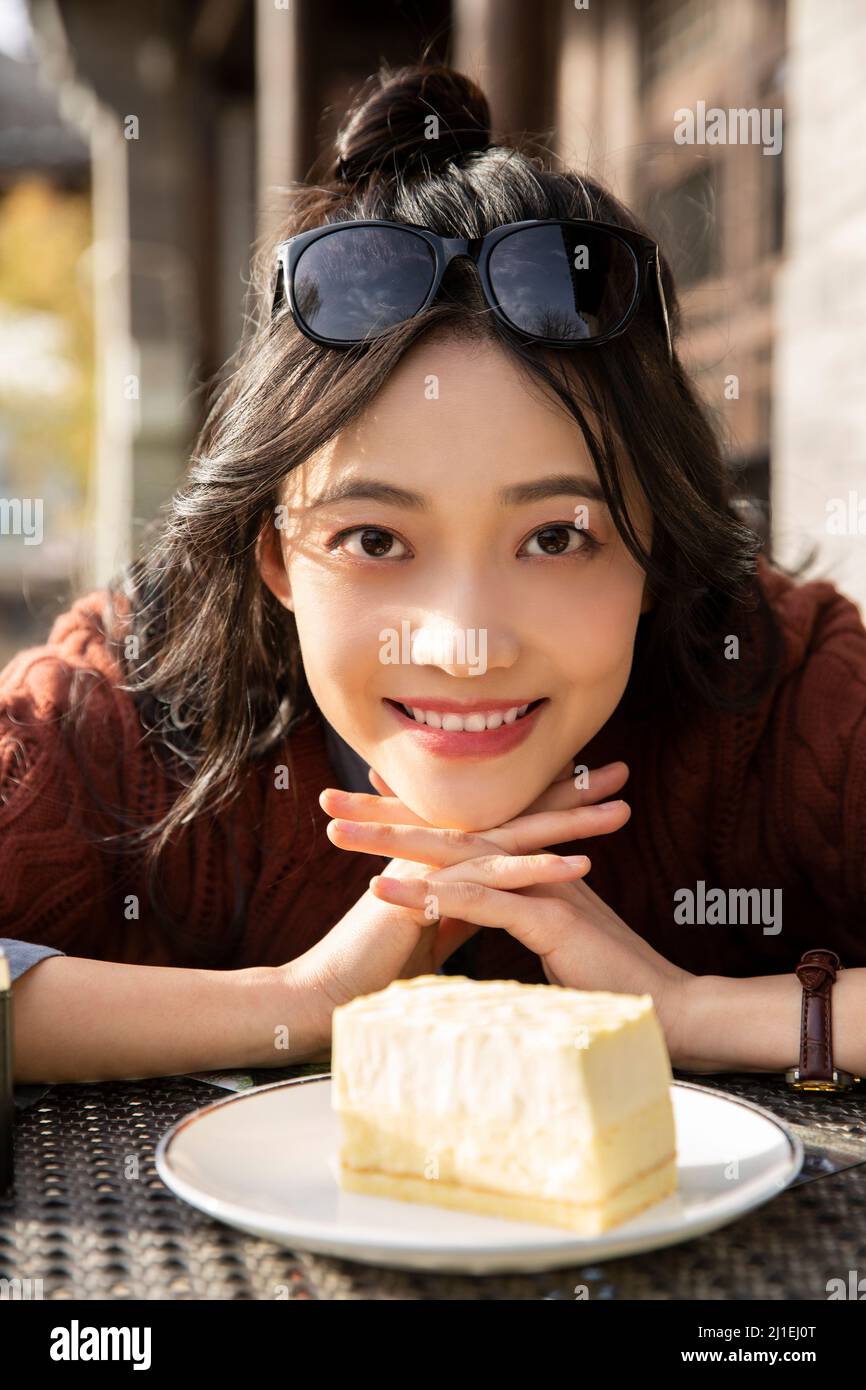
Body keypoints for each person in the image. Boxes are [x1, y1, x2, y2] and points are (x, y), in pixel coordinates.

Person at [2, 63, 864, 1087]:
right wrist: (298, 1002)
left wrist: (685, 1009)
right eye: (374, 539)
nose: (464, 645)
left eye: (556, 537)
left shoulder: (786, 693)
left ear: (656, 545)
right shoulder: (131, 711)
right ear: (274, 553)